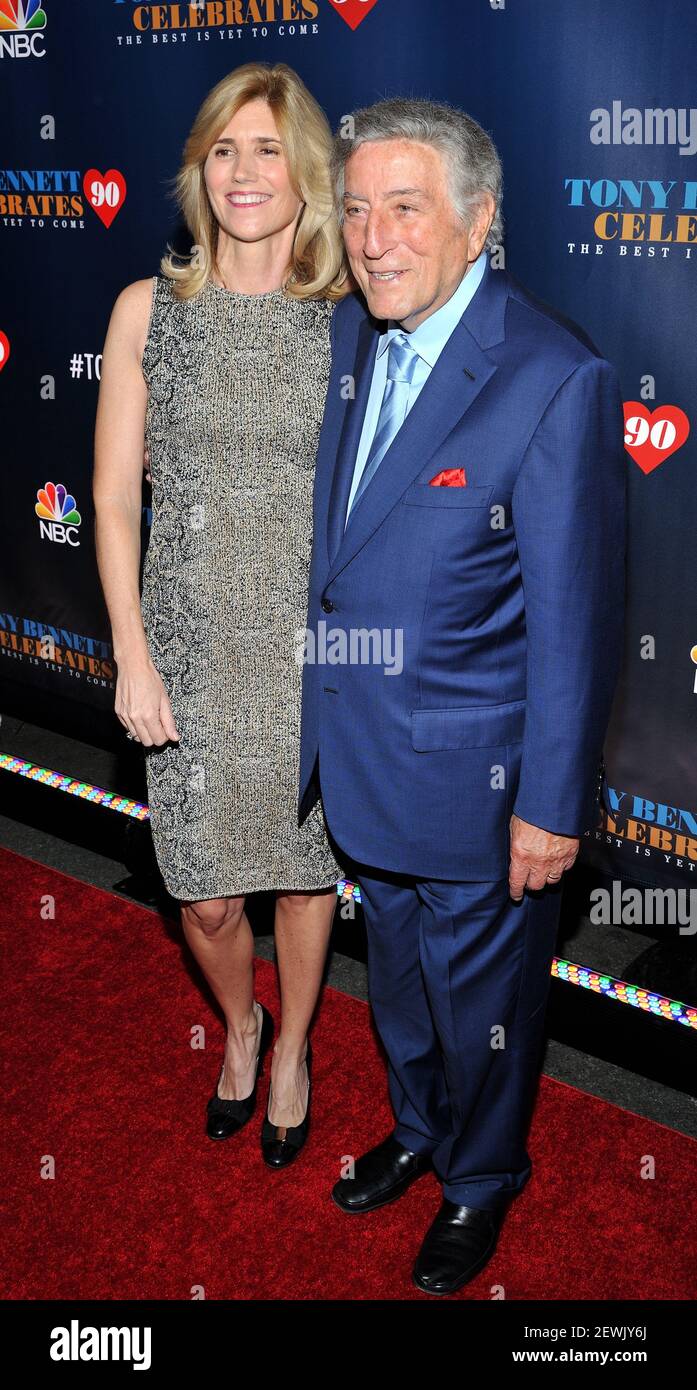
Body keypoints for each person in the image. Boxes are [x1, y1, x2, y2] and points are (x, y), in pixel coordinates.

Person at [298, 97, 627, 1293]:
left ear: (479, 222)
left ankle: (481, 1177)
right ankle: (420, 1128)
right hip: (362, 758)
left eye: (405, 208)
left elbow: (577, 620)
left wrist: (548, 806)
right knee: (393, 986)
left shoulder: (552, 375)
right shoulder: (349, 335)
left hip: (482, 789)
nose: (374, 238)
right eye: (356, 209)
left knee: (484, 999)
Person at [93, 62, 350, 1170]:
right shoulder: (147, 312)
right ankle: (235, 1023)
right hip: (187, 654)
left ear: (307, 178)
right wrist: (131, 659)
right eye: (224, 149)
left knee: (302, 877)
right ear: (202, 168)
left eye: (269, 150)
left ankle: (290, 1044)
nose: (245, 172)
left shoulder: (346, 319)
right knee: (203, 896)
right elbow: (109, 499)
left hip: (305, 656)